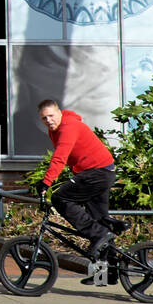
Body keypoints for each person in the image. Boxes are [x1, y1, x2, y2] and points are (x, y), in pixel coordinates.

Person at [36, 98, 122, 272]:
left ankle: (99, 234)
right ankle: (107, 274)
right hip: (99, 173)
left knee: (60, 198)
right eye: (44, 118)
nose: (48, 121)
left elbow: (60, 157)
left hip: (97, 173)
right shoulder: (56, 129)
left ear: (59, 112)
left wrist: (46, 182)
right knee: (100, 221)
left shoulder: (68, 127)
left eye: (51, 116)